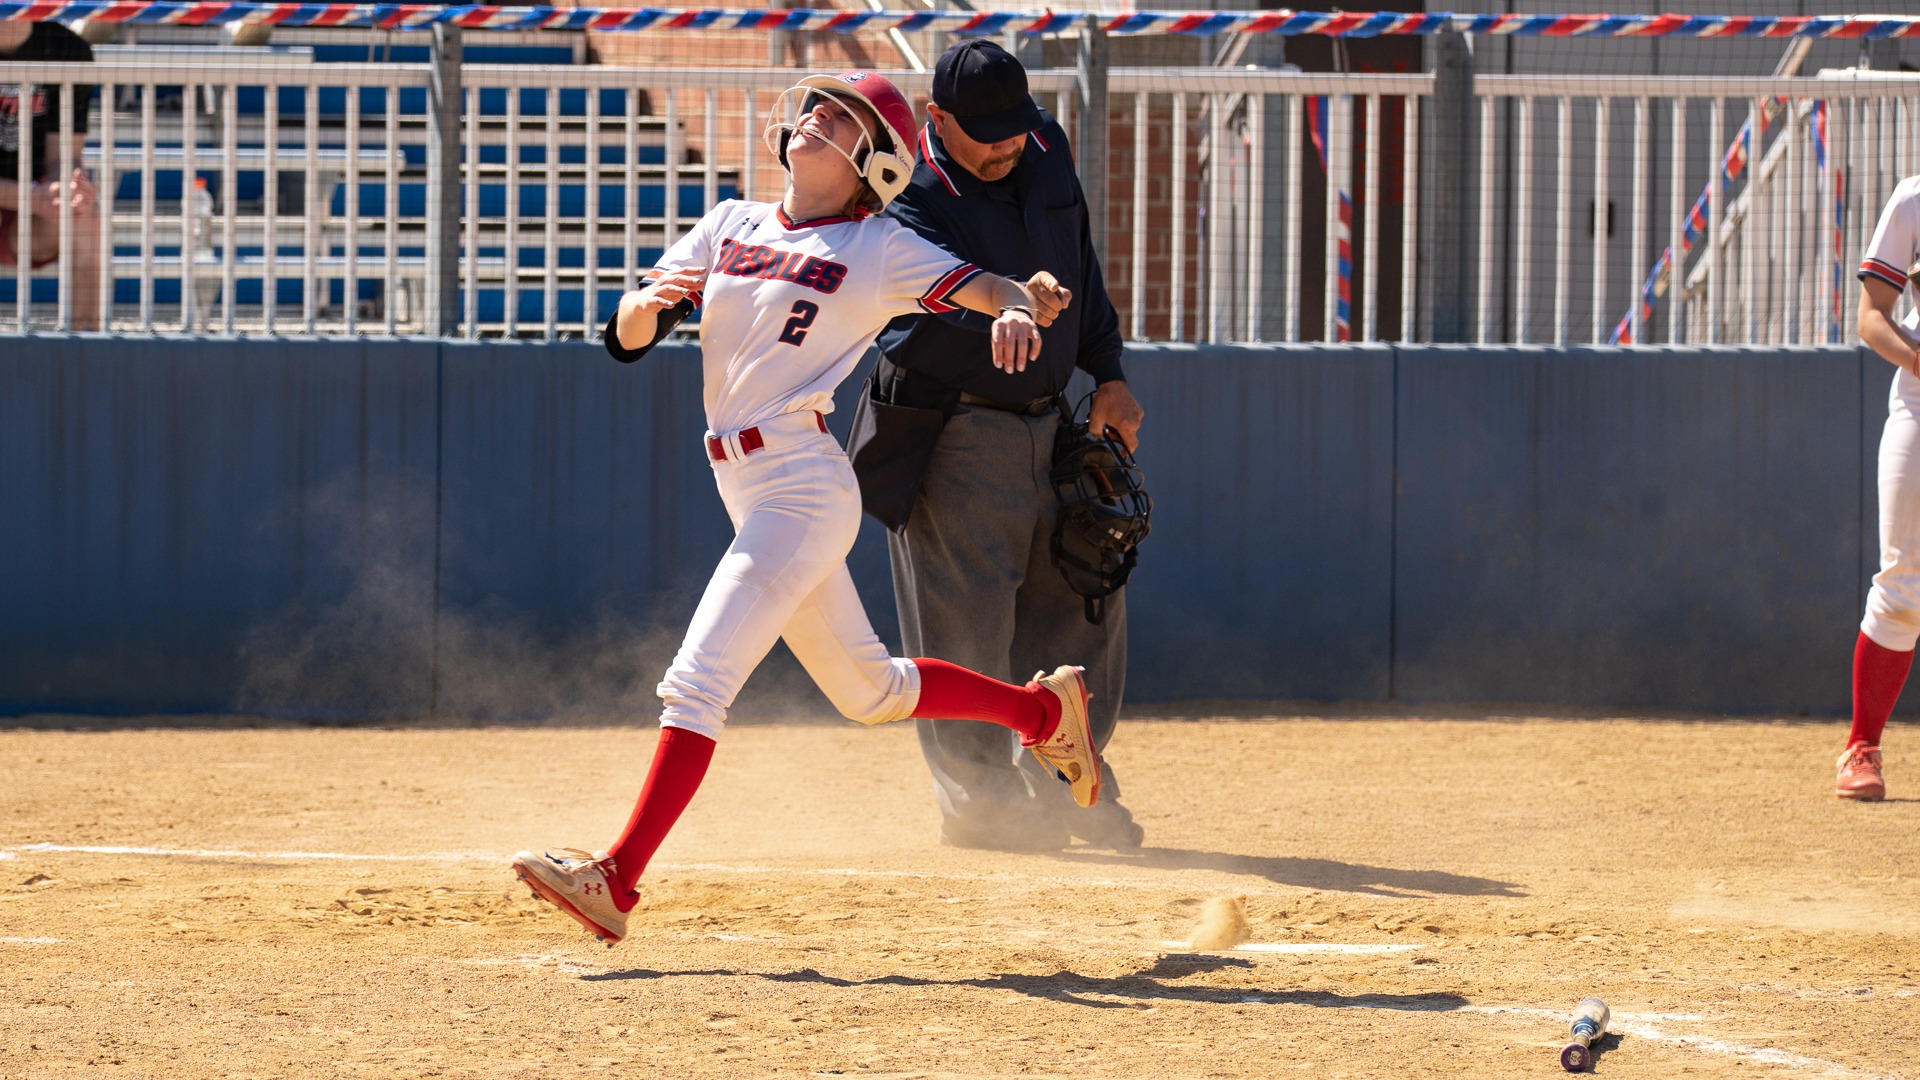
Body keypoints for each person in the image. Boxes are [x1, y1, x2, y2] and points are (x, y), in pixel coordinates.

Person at [510, 70, 1101, 947]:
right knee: (871, 692)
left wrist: (1022, 301)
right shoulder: (728, 221)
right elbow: (627, 340)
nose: (816, 119)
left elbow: (983, 290)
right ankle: (1043, 714)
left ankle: (617, 879)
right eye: (817, 109)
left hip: (801, 482)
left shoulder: (878, 244)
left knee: (698, 680)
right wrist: (644, 305)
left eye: (844, 117)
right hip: (743, 482)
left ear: (875, 162)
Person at [859, 39, 1145, 851]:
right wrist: (999, 308)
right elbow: (901, 324)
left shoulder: (1043, 146)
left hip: (1056, 418)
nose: (1005, 145)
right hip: (954, 428)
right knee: (966, 628)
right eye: (983, 131)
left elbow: (1078, 265)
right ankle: (982, 804)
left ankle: (1070, 783)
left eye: (1013, 126)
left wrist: (1110, 373)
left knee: (1084, 601)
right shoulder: (900, 194)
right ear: (934, 119)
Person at [1842, 176, 1920, 800]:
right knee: (1902, 586)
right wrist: (1917, 360)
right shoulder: (1915, 198)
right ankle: (1861, 748)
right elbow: (1872, 317)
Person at [0, 16, 101, 331]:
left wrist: (69, 189)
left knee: (86, 216)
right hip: (26, 198)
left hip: (27, 215)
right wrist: (31, 197)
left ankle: (87, 358)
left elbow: (63, 155)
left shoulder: (67, 48)